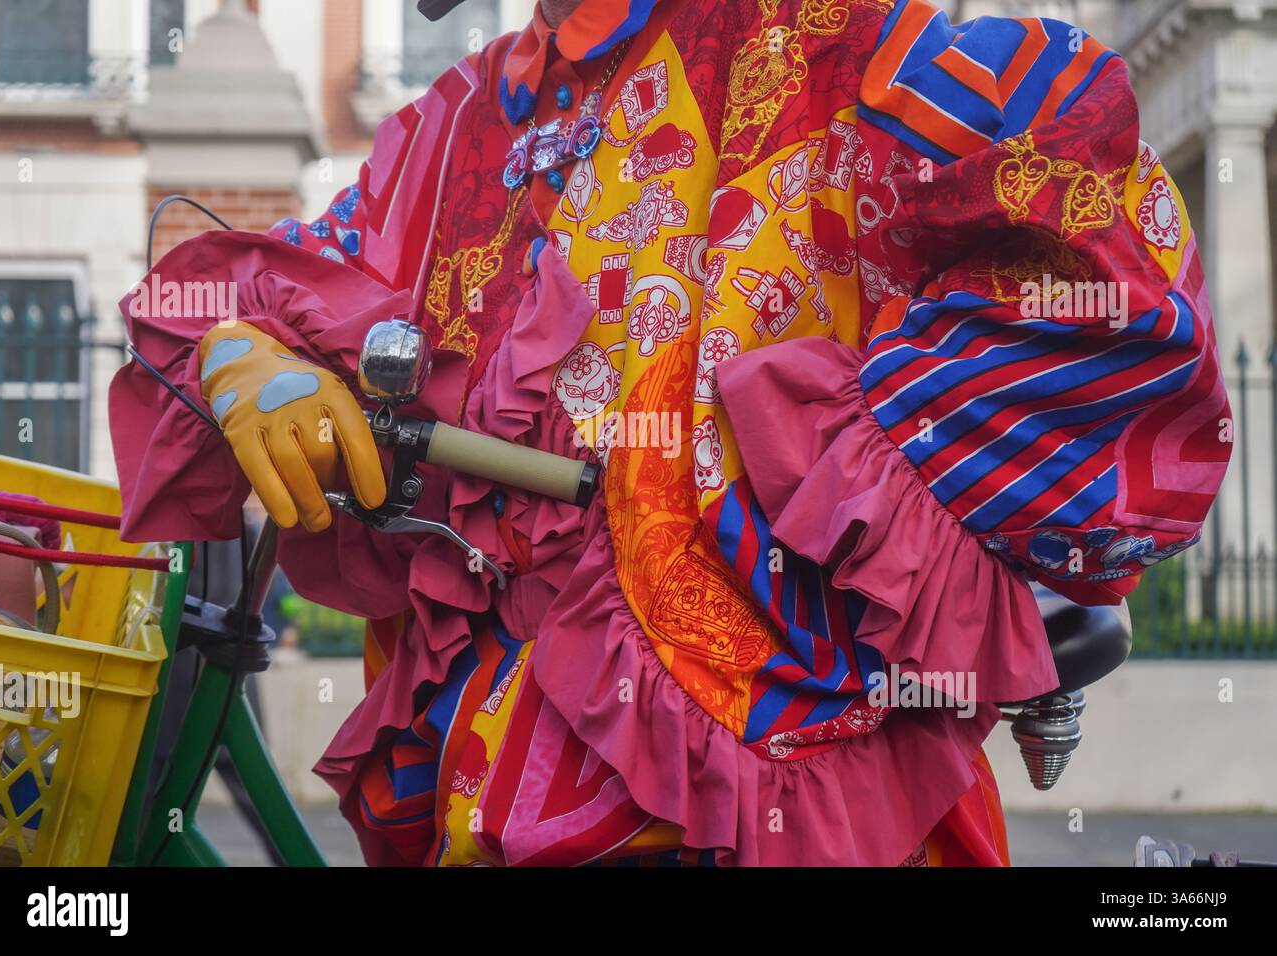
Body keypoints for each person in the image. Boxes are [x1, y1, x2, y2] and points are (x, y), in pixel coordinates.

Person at [110, 0, 1231, 866]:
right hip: (480, 776)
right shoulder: (450, 132)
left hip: (762, 781)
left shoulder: (813, 47)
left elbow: (1098, 234)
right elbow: (280, 280)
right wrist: (239, 351)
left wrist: (870, 467)